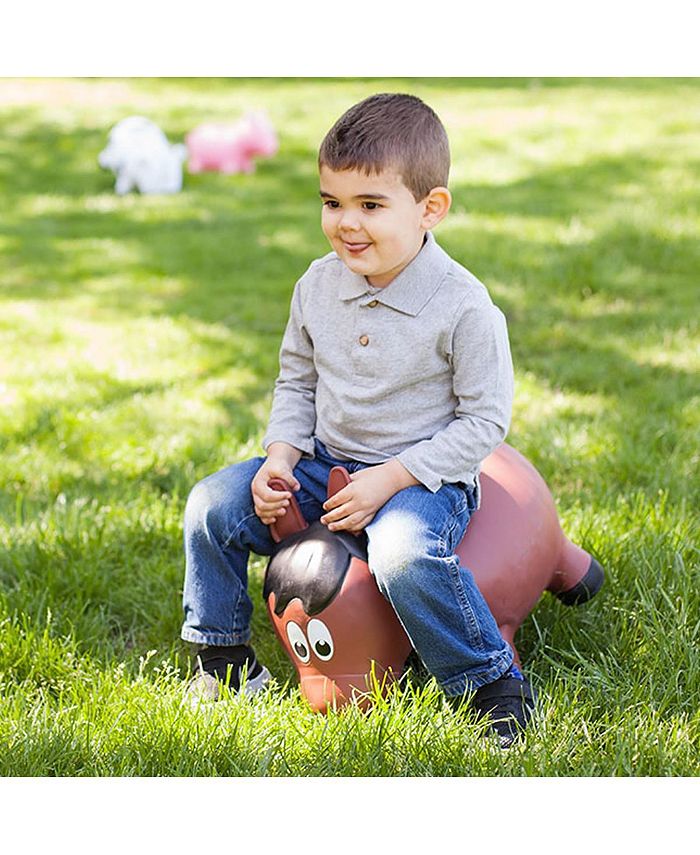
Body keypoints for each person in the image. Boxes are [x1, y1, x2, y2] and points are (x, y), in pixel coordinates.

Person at [181, 93, 534, 745]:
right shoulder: (318, 284)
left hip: (422, 479)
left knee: (401, 555)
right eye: (331, 202)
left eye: (370, 206)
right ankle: (223, 658)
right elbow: (297, 379)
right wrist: (282, 458)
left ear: (431, 208)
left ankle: (489, 680)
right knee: (211, 506)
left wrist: (391, 478)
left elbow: (484, 423)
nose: (347, 223)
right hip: (322, 462)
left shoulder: (464, 307)